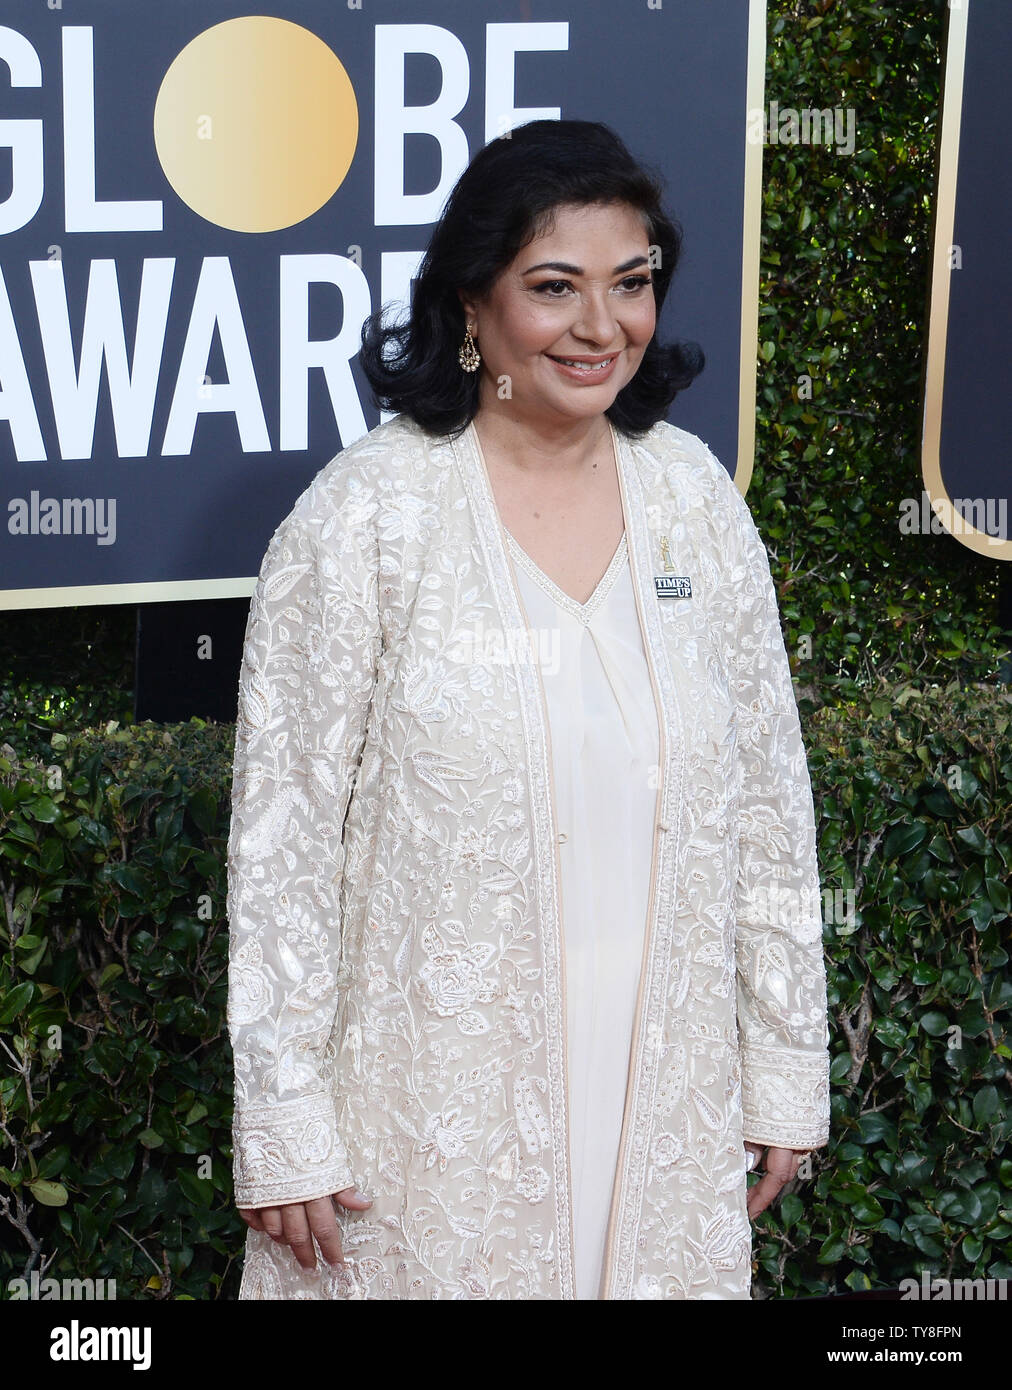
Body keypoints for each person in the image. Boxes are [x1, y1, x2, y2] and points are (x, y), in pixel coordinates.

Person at [225, 118, 831, 1301]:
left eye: (632, 284)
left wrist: (782, 1064)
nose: (601, 327)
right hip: (428, 1120)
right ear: (471, 304)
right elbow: (281, 839)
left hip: (663, 1093)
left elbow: (769, 796)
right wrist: (285, 1108)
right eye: (555, 287)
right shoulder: (368, 517)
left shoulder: (693, 499)